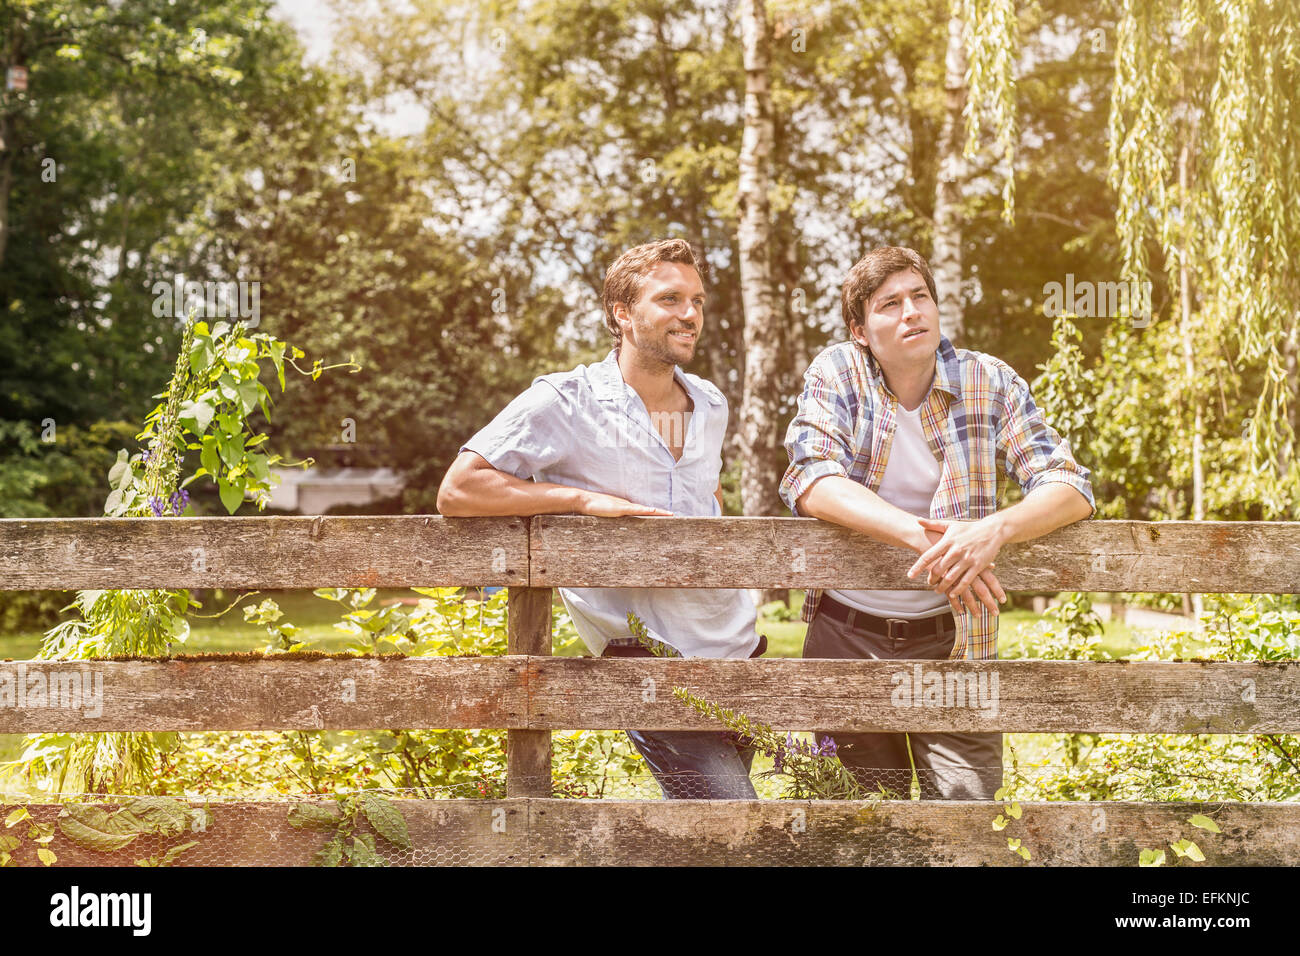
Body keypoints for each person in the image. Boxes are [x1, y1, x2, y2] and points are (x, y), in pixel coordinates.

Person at [438, 237, 763, 800]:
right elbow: (461, 488)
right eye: (669, 299)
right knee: (736, 821)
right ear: (622, 312)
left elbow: (703, 493)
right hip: (650, 664)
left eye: (698, 301)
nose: (690, 314)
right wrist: (581, 501)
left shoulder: (710, 404)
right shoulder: (565, 401)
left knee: (707, 839)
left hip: (739, 649)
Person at [780, 245, 1095, 799]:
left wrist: (992, 530)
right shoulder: (837, 371)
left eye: (920, 296)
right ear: (859, 329)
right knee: (860, 830)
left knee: (969, 825)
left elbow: (1071, 488)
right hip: (847, 636)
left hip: (956, 640)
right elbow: (811, 481)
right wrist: (930, 538)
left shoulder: (988, 380)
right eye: (890, 304)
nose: (911, 312)